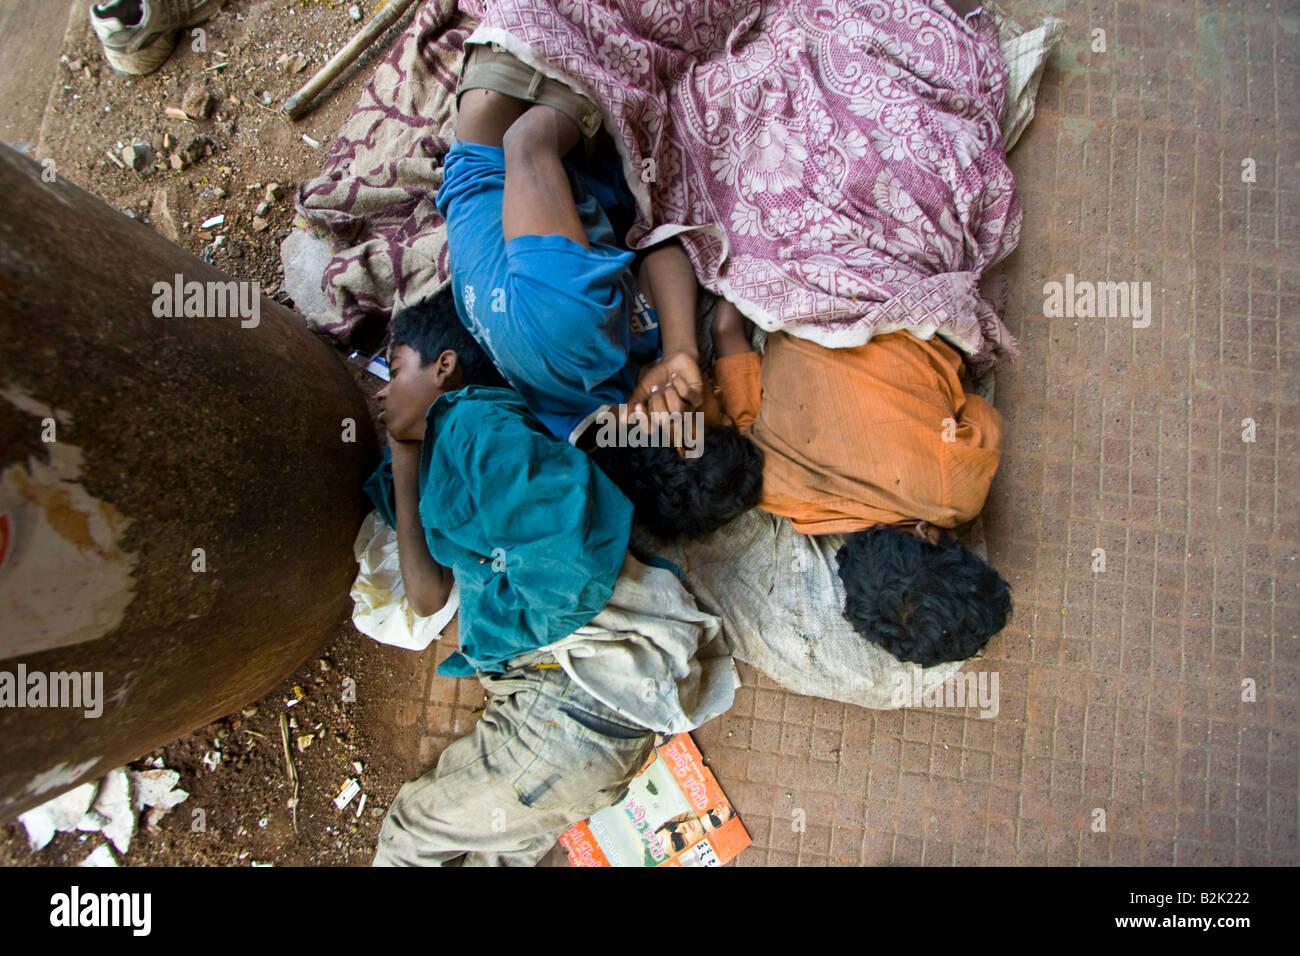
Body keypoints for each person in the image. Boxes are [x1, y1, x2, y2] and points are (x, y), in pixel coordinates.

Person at [367, 296, 735, 866]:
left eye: (393, 372)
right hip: (577, 728)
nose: (380, 392)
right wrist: (402, 454)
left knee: (409, 836)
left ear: (444, 366)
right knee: (477, 853)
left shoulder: (473, 424)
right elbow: (427, 594)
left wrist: (519, 636)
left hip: (567, 708)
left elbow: (571, 557)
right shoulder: (456, 444)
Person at [433, 41, 763, 539]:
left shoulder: (579, 336)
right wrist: (677, 348)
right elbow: (661, 254)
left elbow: (527, 141)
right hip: (571, 180)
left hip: (511, 101)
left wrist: (629, 95)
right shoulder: (592, 413)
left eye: (709, 400)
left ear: (670, 423)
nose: (713, 384)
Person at [706, 298, 1012, 667]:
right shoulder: (770, 488)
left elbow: (980, 416)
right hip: (791, 298)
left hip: (901, 297)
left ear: (926, 534)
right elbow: (726, 331)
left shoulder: (957, 493)